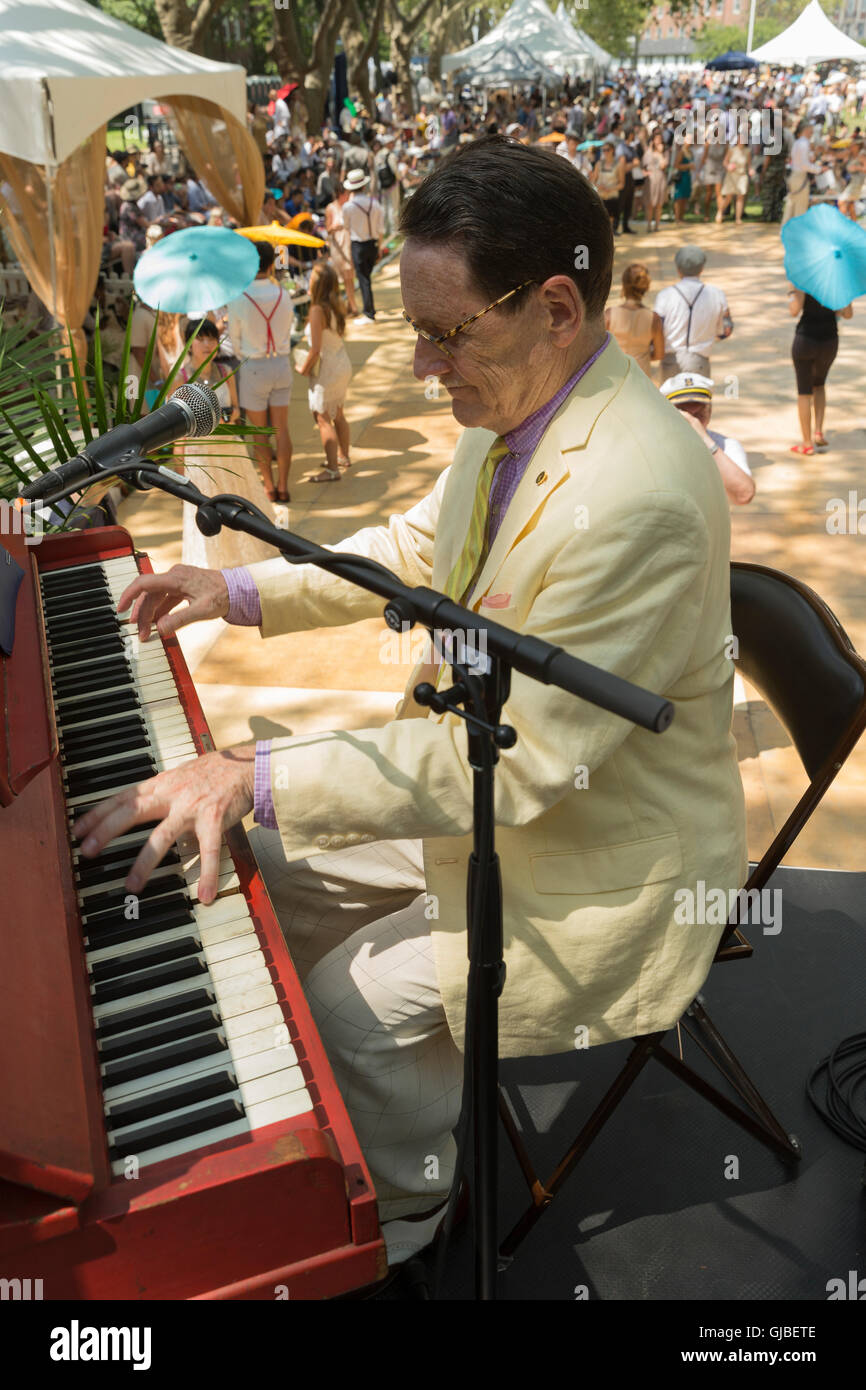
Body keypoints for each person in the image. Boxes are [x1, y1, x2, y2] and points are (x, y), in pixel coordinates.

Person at [74, 136, 746, 1272]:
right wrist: (232, 589)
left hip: (598, 845)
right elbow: (410, 547)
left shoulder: (637, 494)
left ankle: (403, 1227)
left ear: (555, 305)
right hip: (494, 794)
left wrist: (253, 769)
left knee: (348, 1002)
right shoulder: (525, 408)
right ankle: (361, 1122)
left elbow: (526, 763)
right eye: (418, 334)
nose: (428, 370)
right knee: (243, 857)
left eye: (448, 334)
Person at [174, 319, 278, 567]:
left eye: (211, 338)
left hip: (228, 449)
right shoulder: (182, 377)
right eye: (200, 339)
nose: (207, 344)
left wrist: (227, 419)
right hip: (201, 454)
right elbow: (177, 427)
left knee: (237, 501)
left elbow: (235, 411)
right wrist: (179, 468)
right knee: (208, 508)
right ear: (189, 344)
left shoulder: (225, 372)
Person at [226, 241, 294, 502]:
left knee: (259, 431)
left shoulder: (240, 297)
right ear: (270, 263)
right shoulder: (282, 294)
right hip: (281, 363)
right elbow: (289, 326)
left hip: (254, 365)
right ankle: (284, 485)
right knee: (281, 429)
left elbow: (234, 338)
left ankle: (268, 486)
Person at [296, 262, 353, 483]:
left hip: (327, 368)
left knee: (322, 418)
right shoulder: (338, 304)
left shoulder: (317, 310)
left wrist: (303, 368)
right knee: (338, 412)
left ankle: (331, 469)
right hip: (341, 362)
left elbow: (316, 349)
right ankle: (343, 456)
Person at [660, 373, 755, 505]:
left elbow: (743, 495)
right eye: (684, 414)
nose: (693, 421)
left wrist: (706, 441)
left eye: (699, 415)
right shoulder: (653, 445)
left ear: (709, 412)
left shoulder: (726, 446)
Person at [788, 285, 853, 454]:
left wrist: (791, 292)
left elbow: (794, 310)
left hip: (805, 340)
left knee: (804, 392)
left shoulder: (803, 281)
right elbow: (847, 314)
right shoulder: (837, 281)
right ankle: (818, 432)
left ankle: (807, 444)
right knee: (819, 384)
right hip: (830, 341)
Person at [654, 246, 733, 377]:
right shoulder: (717, 294)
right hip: (700, 362)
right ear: (702, 269)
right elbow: (727, 330)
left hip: (670, 362)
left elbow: (656, 329)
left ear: (678, 269)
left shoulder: (665, 295)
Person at [604, 262, 664, 378]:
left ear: (624, 285)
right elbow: (659, 354)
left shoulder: (610, 315)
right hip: (641, 377)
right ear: (646, 287)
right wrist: (643, 356)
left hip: (616, 376)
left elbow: (598, 351)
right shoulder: (654, 319)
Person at [342, 168, 384, 322]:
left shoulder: (348, 207)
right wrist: (379, 247)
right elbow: (380, 228)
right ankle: (369, 309)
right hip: (372, 245)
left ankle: (369, 312)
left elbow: (345, 227)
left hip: (358, 246)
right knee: (366, 278)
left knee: (364, 279)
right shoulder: (375, 203)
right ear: (364, 186)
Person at [324, 182, 359, 315]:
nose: (348, 195)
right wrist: (336, 227)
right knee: (343, 277)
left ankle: (351, 305)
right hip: (338, 245)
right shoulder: (330, 208)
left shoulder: (350, 205)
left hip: (349, 242)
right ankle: (350, 306)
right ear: (340, 194)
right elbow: (327, 229)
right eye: (346, 193)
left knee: (349, 275)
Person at [782, 120, 822, 224]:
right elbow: (804, 165)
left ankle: (785, 231)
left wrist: (813, 155)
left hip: (794, 175)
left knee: (790, 206)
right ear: (807, 130)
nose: (812, 134)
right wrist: (818, 169)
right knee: (800, 207)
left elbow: (799, 160)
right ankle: (798, 234)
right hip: (800, 177)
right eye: (811, 132)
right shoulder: (804, 143)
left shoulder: (797, 142)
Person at [590, 139, 624, 226]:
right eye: (603, 150)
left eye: (607, 149)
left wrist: (610, 189)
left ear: (612, 150)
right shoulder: (599, 164)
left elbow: (622, 184)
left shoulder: (619, 165)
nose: (605, 152)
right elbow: (593, 181)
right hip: (601, 198)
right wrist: (598, 186)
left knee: (610, 225)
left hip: (612, 197)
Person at [717, 136, 750, 225]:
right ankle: (720, 212)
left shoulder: (747, 151)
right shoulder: (731, 150)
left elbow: (749, 165)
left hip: (742, 176)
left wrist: (751, 171)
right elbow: (725, 162)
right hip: (731, 176)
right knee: (728, 196)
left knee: (740, 197)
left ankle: (738, 218)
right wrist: (728, 166)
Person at [642, 130, 667, 231]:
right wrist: (645, 173)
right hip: (651, 180)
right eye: (656, 139)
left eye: (660, 140)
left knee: (659, 204)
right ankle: (648, 225)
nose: (658, 141)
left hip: (660, 179)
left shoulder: (665, 152)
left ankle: (656, 226)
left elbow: (663, 166)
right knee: (650, 204)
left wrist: (661, 153)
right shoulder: (648, 152)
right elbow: (643, 166)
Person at [671, 134, 693, 224]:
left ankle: (682, 217)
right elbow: (676, 165)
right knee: (679, 198)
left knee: (685, 197)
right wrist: (688, 166)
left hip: (687, 176)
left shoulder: (689, 152)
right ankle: (677, 218)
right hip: (681, 177)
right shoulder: (681, 152)